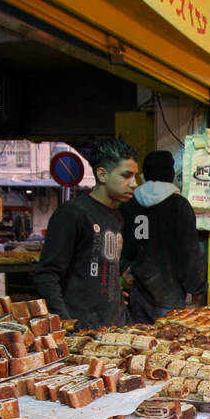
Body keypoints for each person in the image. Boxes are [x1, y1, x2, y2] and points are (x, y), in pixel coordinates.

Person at [34, 139, 138, 327]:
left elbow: (105, 270)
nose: (134, 184)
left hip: (116, 327)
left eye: (135, 176)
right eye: (126, 176)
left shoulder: (118, 217)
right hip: (83, 329)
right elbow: (47, 275)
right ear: (102, 174)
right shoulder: (72, 214)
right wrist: (66, 325)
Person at [120, 150, 206, 323]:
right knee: (169, 343)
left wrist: (124, 271)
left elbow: (124, 246)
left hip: (139, 291)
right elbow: (189, 251)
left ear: (144, 174)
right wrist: (197, 287)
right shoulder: (179, 205)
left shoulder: (130, 204)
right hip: (170, 295)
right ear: (171, 174)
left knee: (141, 343)